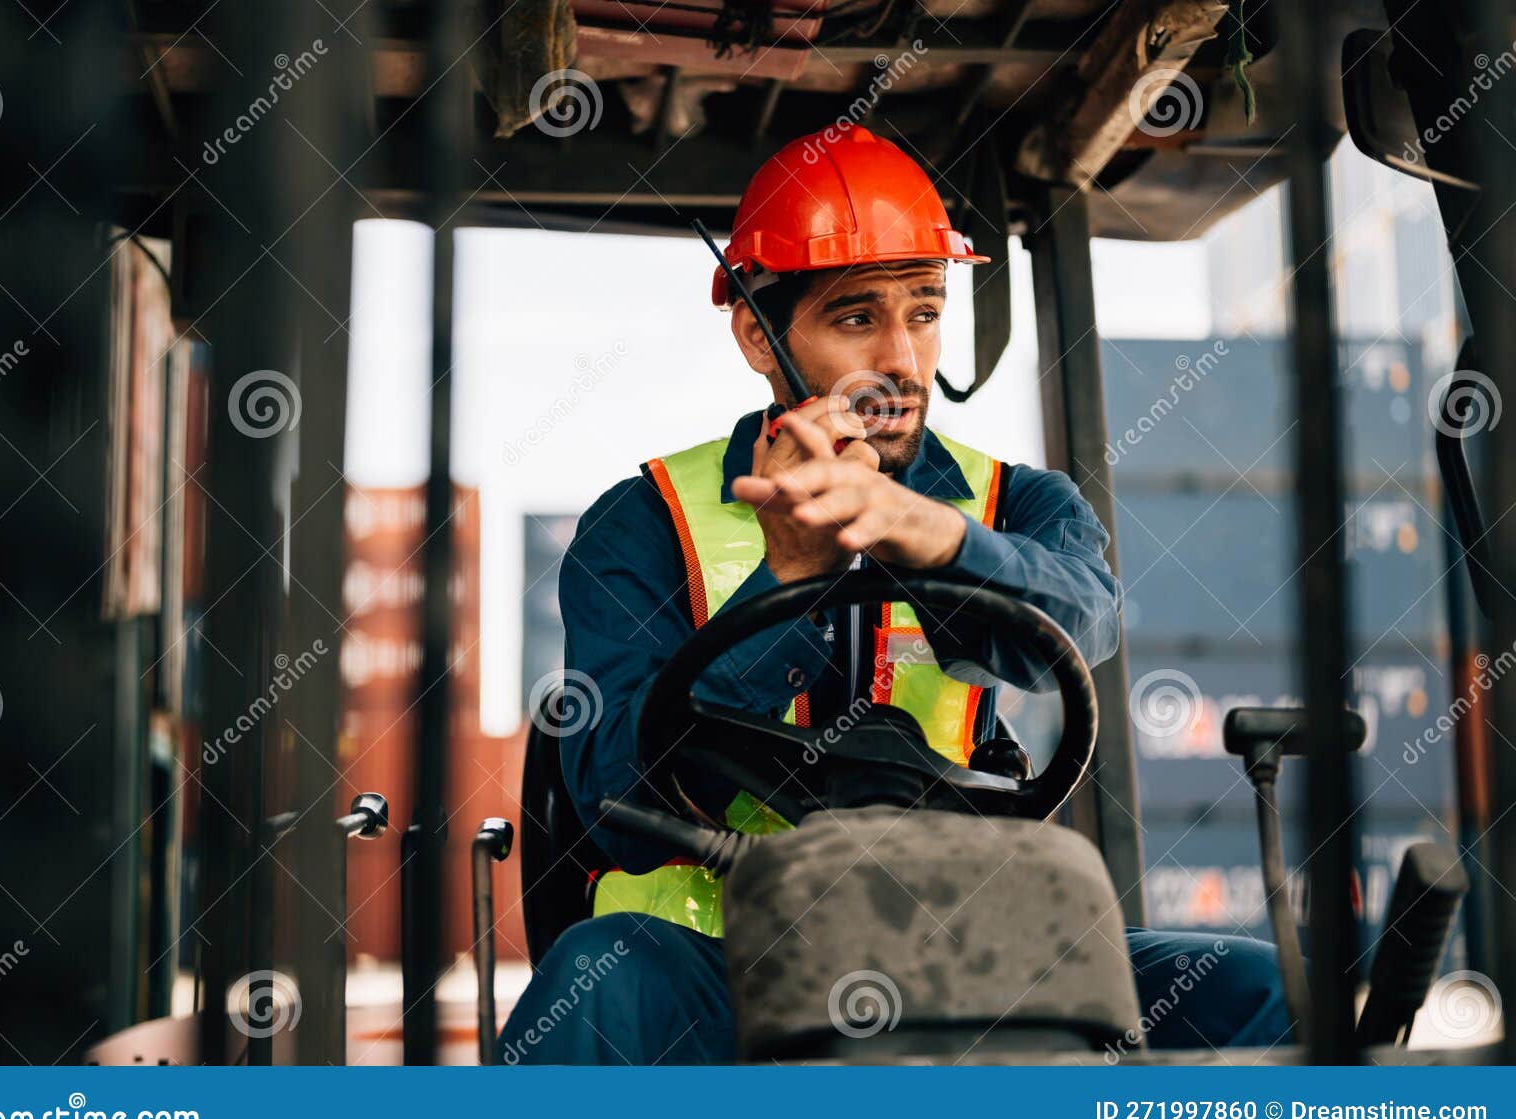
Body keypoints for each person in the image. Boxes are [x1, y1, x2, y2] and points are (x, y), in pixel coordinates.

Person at [498, 126, 1289, 1064]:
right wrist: (791, 575)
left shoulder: (1017, 504)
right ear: (759, 332)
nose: (903, 361)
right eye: (855, 318)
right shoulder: (643, 522)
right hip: (718, 970)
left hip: (962, 954)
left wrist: (928, 534)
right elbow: (609, 799)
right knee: (596, 975)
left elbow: (1080, 627)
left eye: (924, 311)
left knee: (1262, 991)